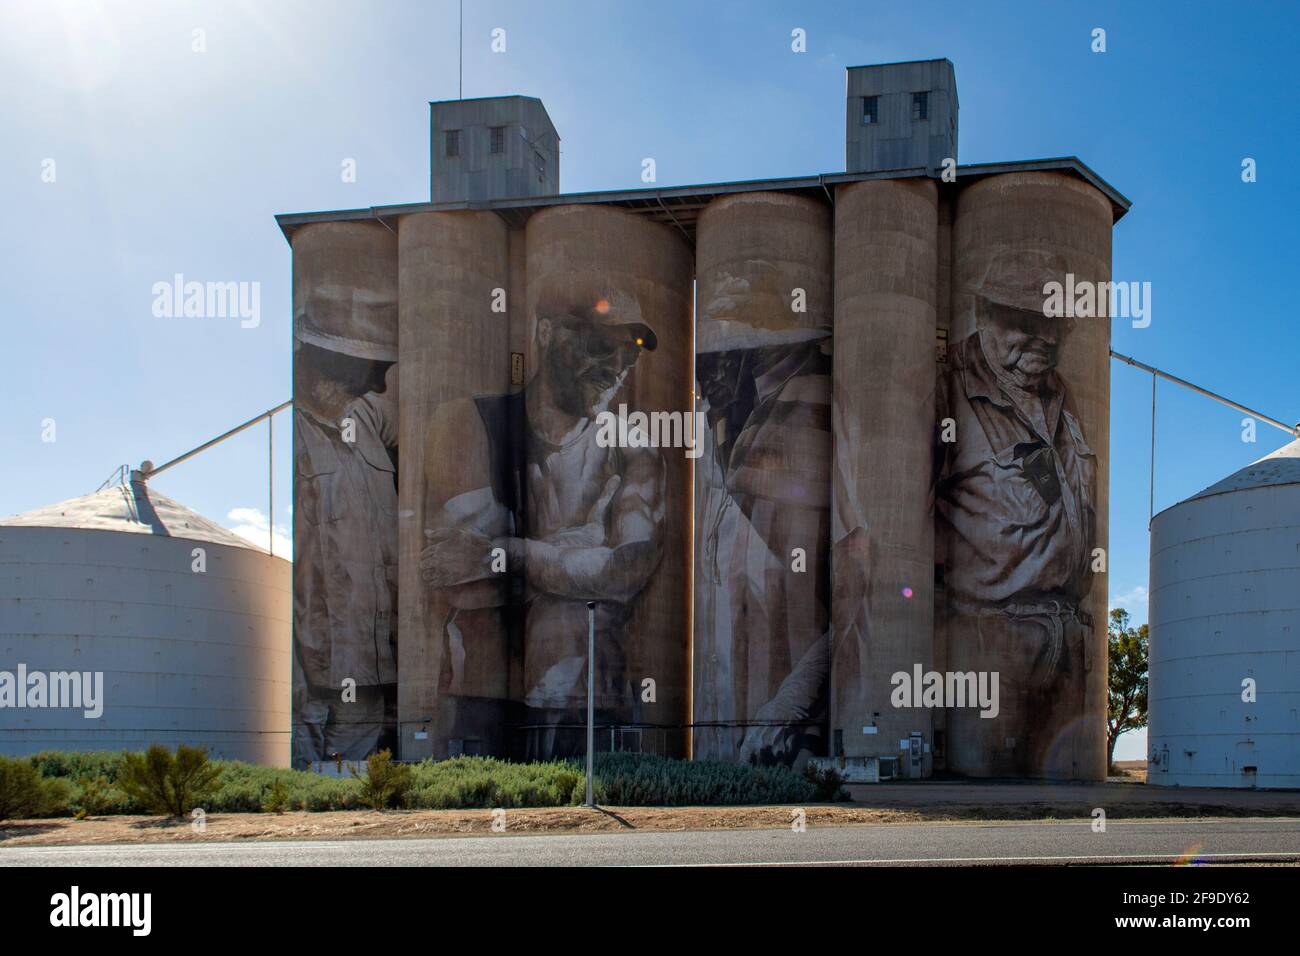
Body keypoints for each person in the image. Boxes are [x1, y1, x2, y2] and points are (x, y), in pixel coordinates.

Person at [420, 293, 665, 759]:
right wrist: (587, 543)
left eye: (629, 356)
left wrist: (507, 552)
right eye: (600, 346)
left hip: (592, 698)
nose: (616, 367)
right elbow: (458, 584)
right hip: (483, 697)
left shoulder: (633, 445)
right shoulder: (468, 423)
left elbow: (628, 569)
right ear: (547, 332)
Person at [937, 249, 1098, 777]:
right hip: (991, 641)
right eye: (1027, 321)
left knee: (1066, 802)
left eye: (1055, 323)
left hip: (1069, 641)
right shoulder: (947, 389)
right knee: (986, 797)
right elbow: (897, 528)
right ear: (983, 312)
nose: (1046, 339)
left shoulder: (1062, 396)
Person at [692, 274, 833, 767]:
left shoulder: (817, 409)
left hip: (792, 740)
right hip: (730, 733)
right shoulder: (718, 429)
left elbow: (871, 595)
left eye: (727, 344)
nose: (705, 371)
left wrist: (789, 708)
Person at [292, 285, 400, 767]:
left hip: (371, 666)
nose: (376, 386)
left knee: (358, 787)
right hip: (312, 677)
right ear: (327, 366)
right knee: (312, 790)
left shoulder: (365, 421)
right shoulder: (292, 438)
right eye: (369, 373)